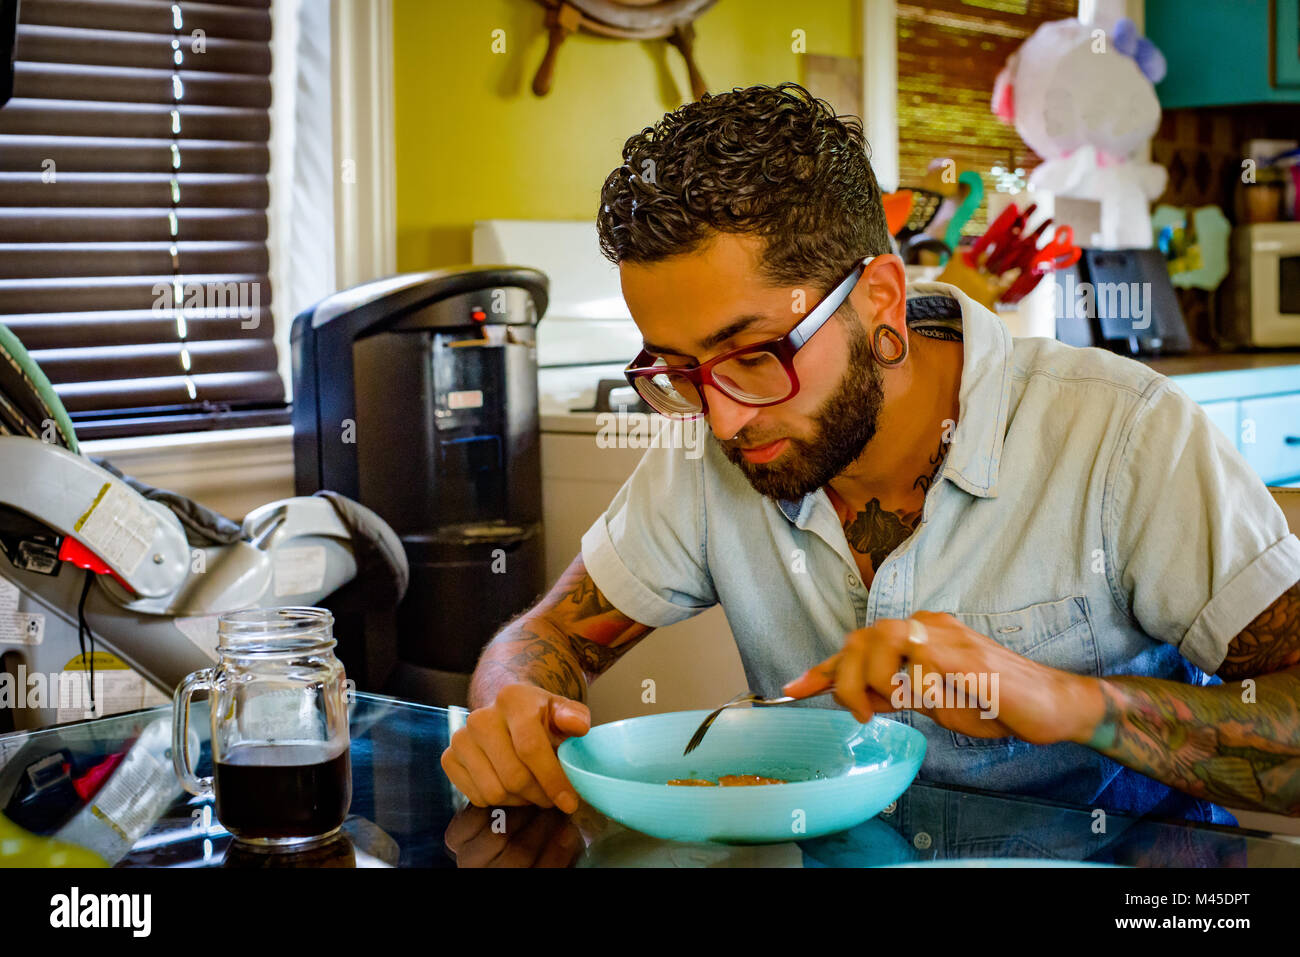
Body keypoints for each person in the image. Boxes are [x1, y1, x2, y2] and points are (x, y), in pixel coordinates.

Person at [440, 82, 1300, 824]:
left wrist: (1074, 703)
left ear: (881, 302)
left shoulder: (1122, 436)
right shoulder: (713, 441)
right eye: (678, 367)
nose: (724, 419)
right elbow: (550, 634)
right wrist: (511, 703)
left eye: (753, 354)